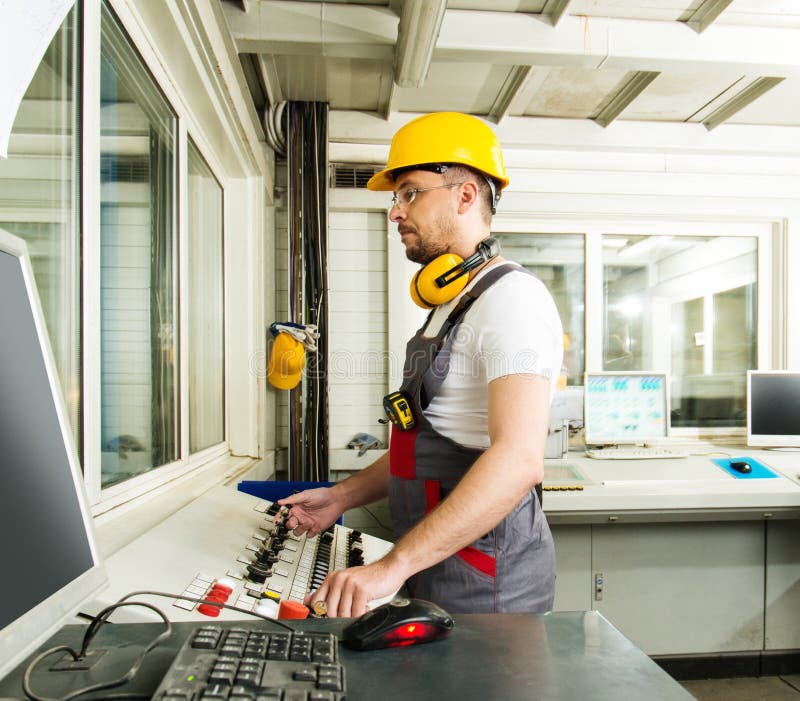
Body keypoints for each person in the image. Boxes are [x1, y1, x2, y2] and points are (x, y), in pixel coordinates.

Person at [279, 112, 563, 617]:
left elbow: (519, 460)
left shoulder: (513, 300)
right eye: (396, 197)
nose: (395, 212)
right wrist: (341, 496)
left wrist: (391, 567)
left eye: (409, 192)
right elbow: (423, 451)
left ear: (465, 196)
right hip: (432, 562)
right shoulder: (449, 305)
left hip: (489, 582)